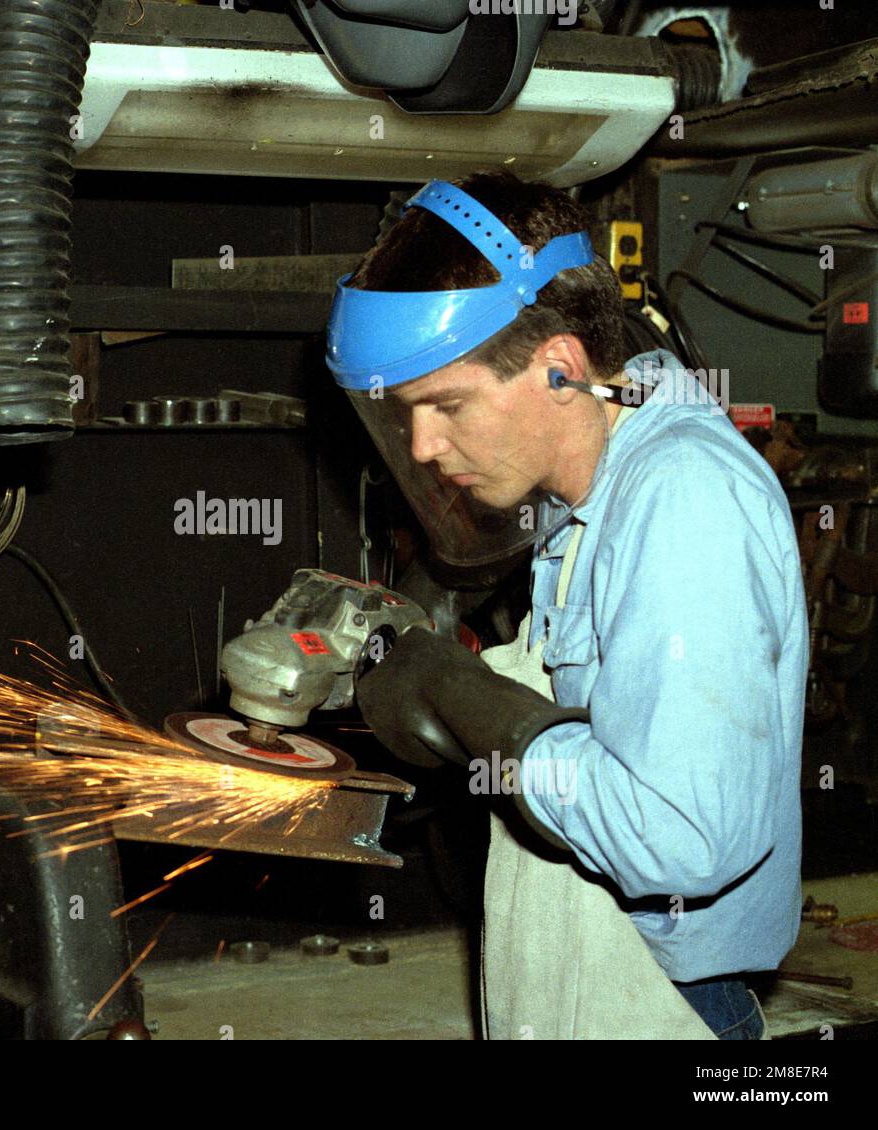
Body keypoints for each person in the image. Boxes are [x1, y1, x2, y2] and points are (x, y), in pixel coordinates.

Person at [331, 171, 808, 1040]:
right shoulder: (591, 476)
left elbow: (682, 840)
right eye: (407, 415)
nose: (426, 446)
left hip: (662, 1000)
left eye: (446, 405)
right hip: (582, 977)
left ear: (560, 369)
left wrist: (481, 712)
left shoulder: (684, 501)